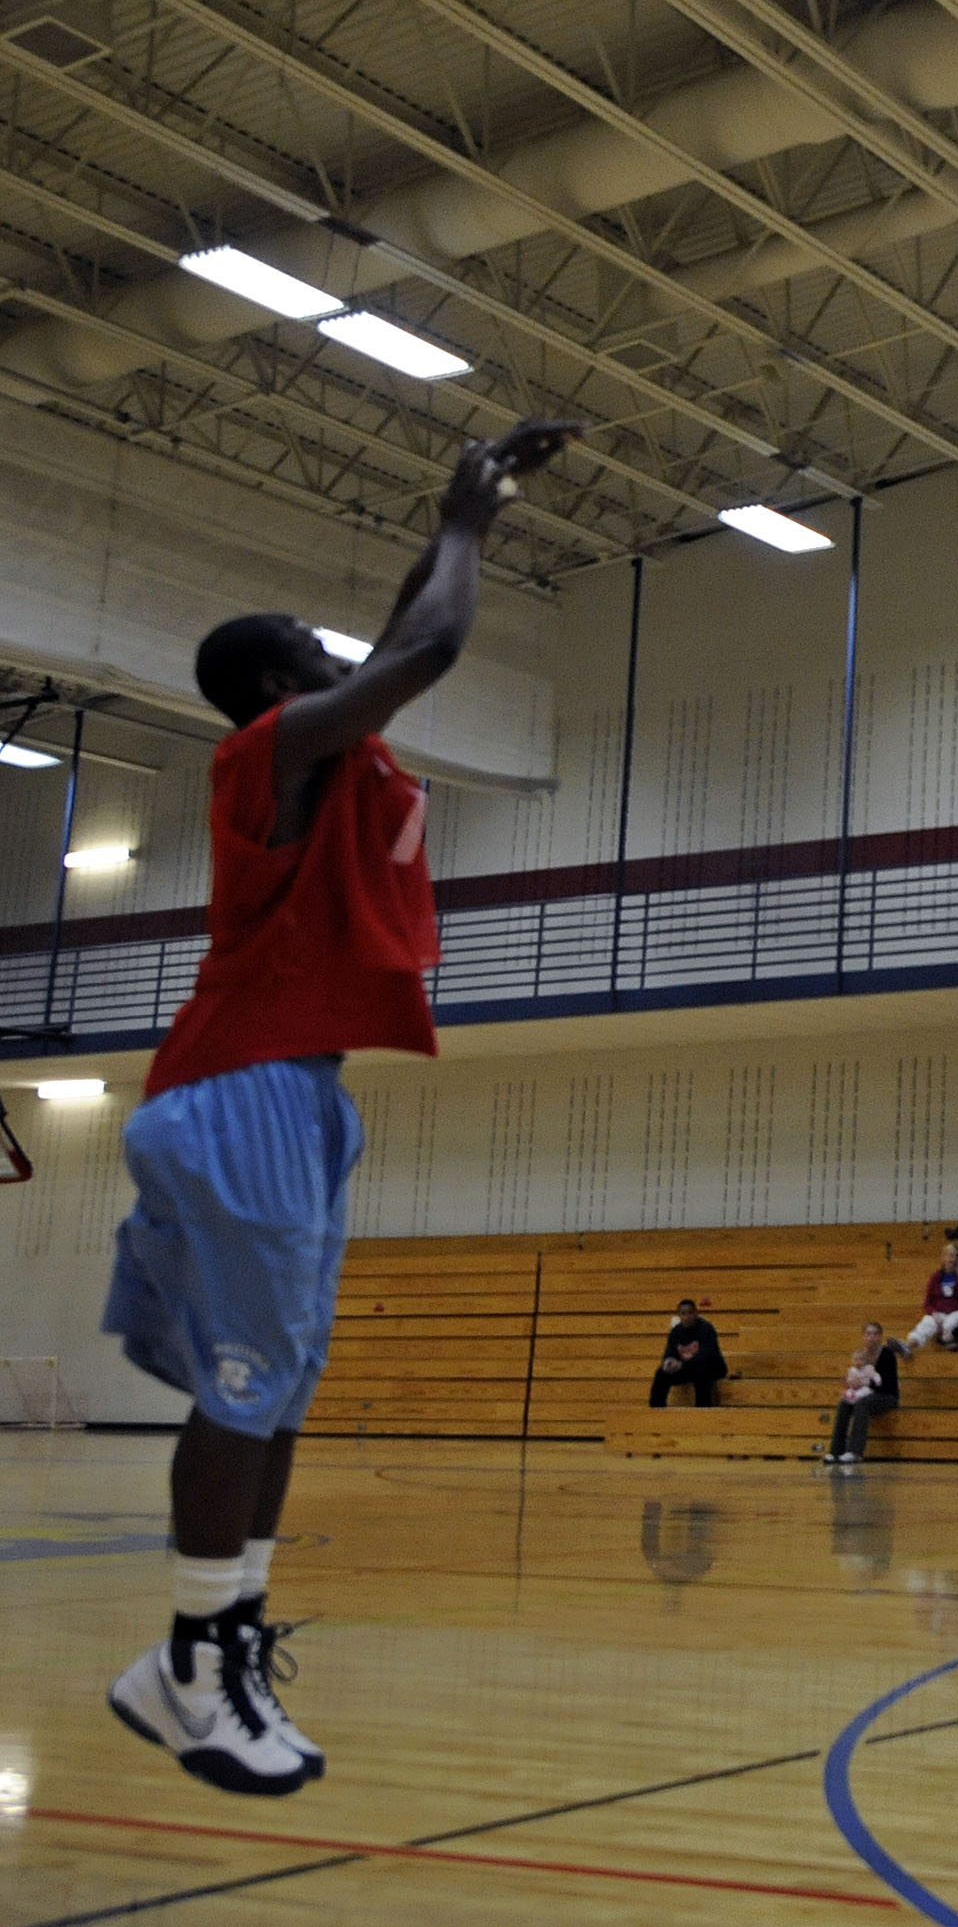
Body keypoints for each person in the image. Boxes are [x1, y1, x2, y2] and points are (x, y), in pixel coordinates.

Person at [99, 417, 579, 1800]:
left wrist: (461, 516)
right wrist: (468, 526)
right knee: (250, 1391)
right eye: (312, 651)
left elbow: (385, 651)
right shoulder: (269, 754)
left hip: (292, 1093)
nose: (337, 657)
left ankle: (215, 1644)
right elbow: (422, 654)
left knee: (279, 1396)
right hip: (236, 1086)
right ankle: (195, 1657)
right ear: (271, 684)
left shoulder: (330, 744)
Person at [829, 1322, 900, 1465]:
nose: (871, 1337)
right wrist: (851, 1383)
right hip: (865, 1393)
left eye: (875, 1333)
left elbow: (887, 1383)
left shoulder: (887, 1355)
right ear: (863, 1337)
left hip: (886, 1395)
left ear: (880, 1336)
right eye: (868, 1334)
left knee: (862, 1404)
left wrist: (864, 1384)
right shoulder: (861, 1355)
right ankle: (836, 1451)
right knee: (844, 1403)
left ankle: (855, 1451)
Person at [649, 1299, 726, 1408]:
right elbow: (669, 1352)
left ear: (696, 1313)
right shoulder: (676, 1332)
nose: (687, 1317)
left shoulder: (706, 1328)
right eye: (683, 1314)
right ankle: (656, 1408)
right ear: (679, 1315)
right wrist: (668, 1362)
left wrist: (682, 1364)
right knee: (661, 1373)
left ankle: (703, 1408)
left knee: (702, 1371)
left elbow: (706, 1354)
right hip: (688, 1368)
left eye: (690, 1313)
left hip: (711, 1367)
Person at [905, 1245, 958, 1353]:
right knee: (927, 1322)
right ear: (944, 1257)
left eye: (957, 1256)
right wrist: (933, 1313)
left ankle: (950, 1343)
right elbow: (928, 1302)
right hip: (939, 1312)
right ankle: (908, 1346)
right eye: (950, 1255)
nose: (953, 1259)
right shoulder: (936, 1277)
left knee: (950, 1323)